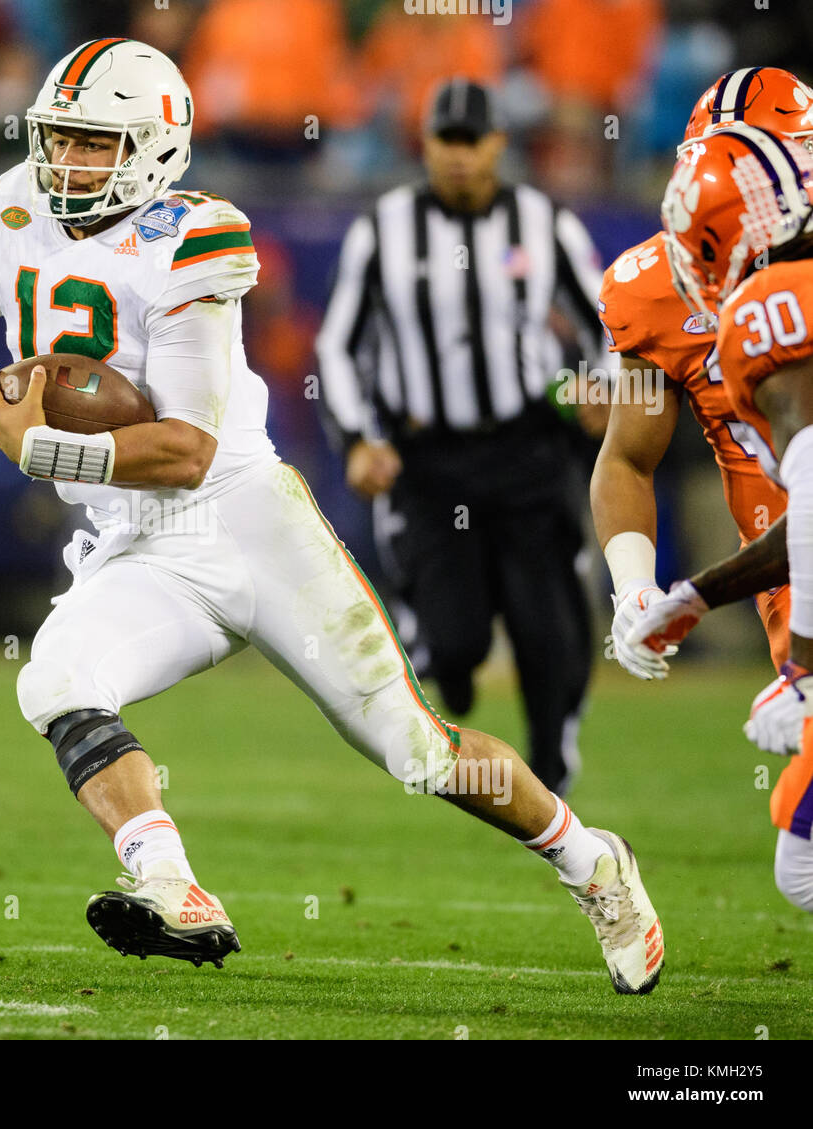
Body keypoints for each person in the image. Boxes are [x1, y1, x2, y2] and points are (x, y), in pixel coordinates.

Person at [0, 39, 663, 993]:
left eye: (93, 142)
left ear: (155, 144)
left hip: (242, 518)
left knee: (416, 751)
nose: (65, 160)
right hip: (138, 542)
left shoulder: (195, 237)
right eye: (57, 136)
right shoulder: (18, 206)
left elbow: (187, 448)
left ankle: (594, 863)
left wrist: (38, 450)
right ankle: (171, 884)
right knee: (56, 677)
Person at [316, 79, 606, 796]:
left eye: (472, 140)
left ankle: (551, 770)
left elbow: (611, 327)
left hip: (528, 451)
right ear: (426, 145)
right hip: (431, 459)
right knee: (457, 643)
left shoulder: (546, 223)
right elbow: (336, 346)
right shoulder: (383, 229)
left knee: (548, 629)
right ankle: (447, 658)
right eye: (445, 139)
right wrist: (357, 437)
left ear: (499, 145)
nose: (459, 155)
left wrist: (608, 391)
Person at [622, 122, 813, 914]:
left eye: (696, 240)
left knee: (801, 864)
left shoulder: (771, 305)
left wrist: (804, 673)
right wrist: (701, 593)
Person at [594, 68, 810, 729]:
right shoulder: (655, 287)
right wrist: (636, 584)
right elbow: (627, 457)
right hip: (783, 571)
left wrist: (691, 598)